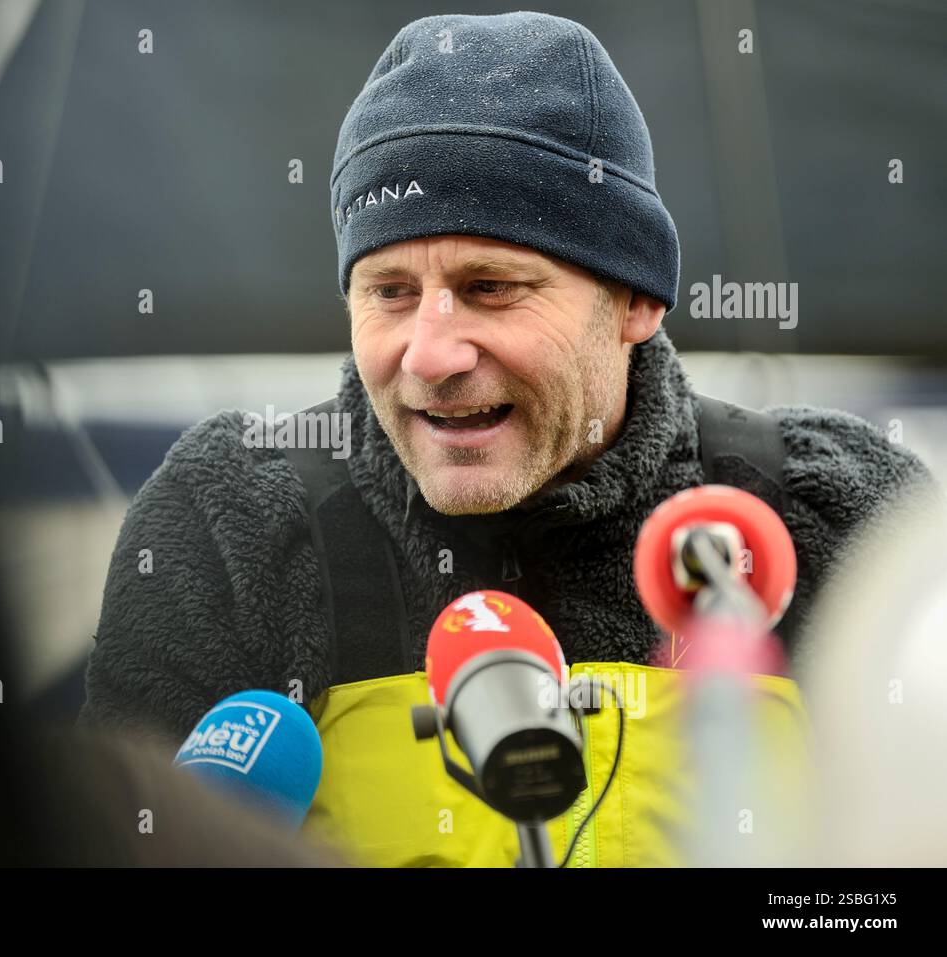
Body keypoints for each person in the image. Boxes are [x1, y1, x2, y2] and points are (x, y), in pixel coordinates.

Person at [81, 12, 936, 866]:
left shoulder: (842, 513)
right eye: (387, 291)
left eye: (490, 286)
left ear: (637, 298)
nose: (430, 353)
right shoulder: (233, 522)